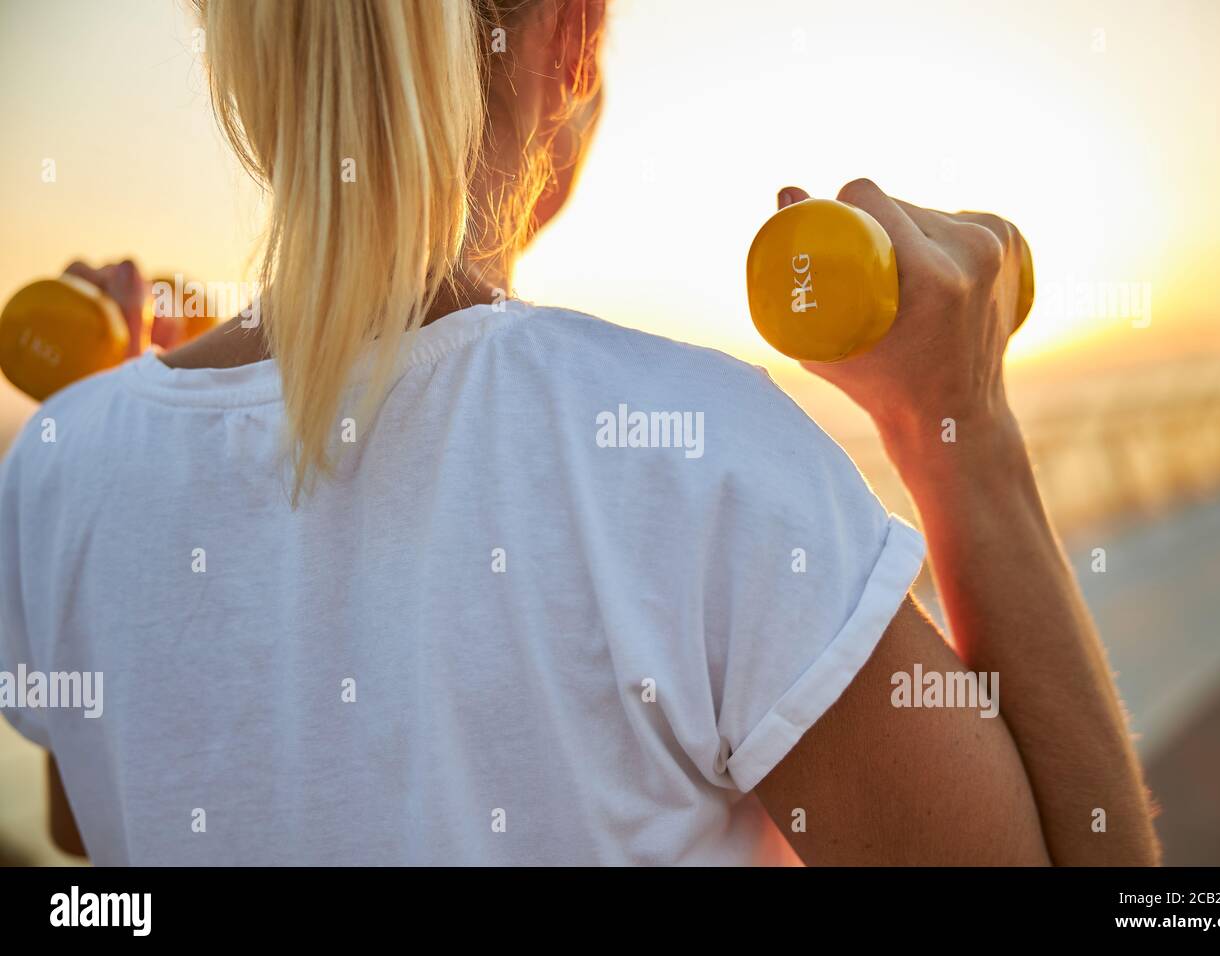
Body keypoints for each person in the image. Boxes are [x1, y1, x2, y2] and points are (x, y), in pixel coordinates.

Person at [0, 0, 1158, 866]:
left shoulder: (63, 465)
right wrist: (960, 419)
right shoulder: (702, 464)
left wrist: (111, 427)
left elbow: (91, 815)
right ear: (575, 41)